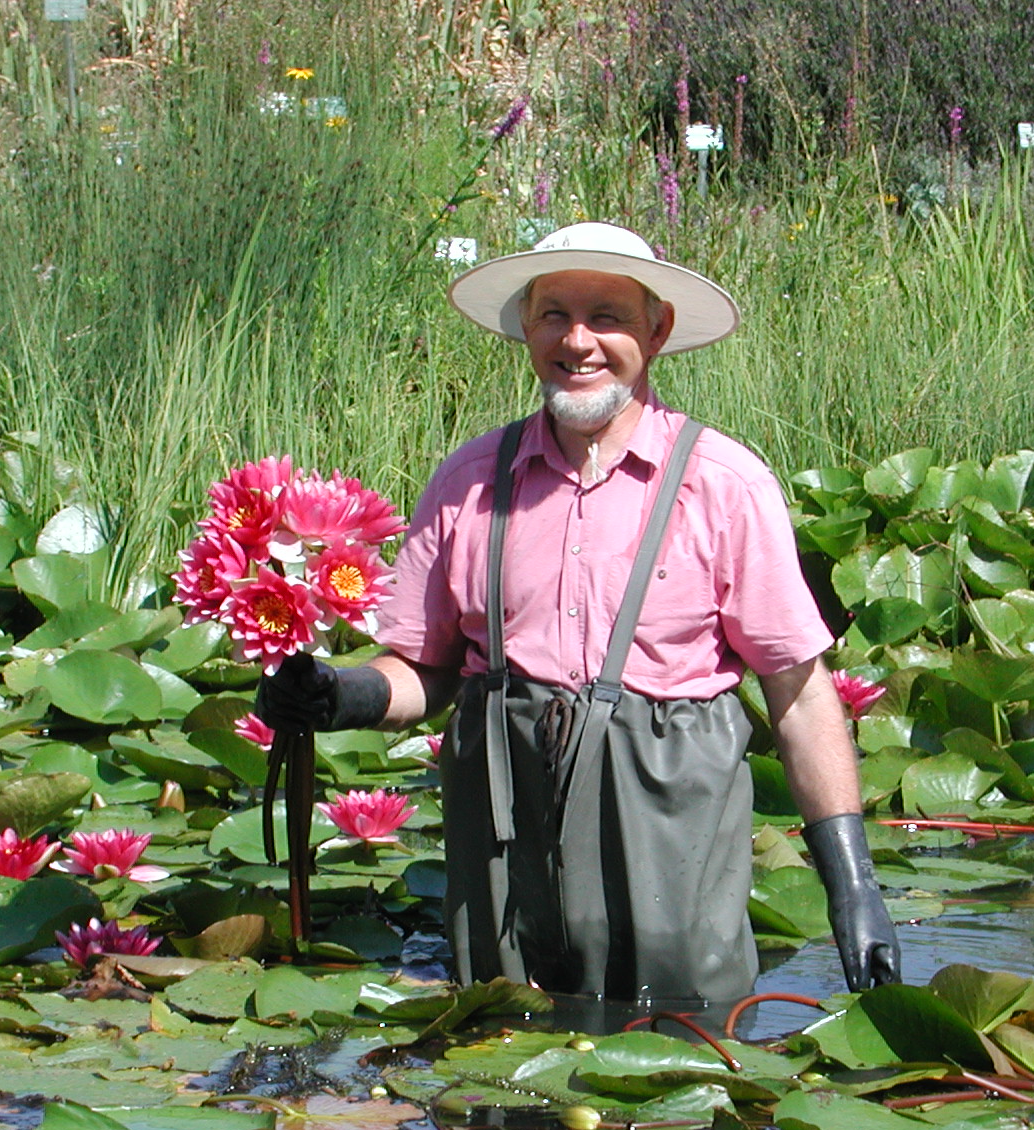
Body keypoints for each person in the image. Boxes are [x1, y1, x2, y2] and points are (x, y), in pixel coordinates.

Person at [258, 222, 898, 1005]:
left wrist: (854, 885)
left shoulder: (725, 484)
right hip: (502, 846)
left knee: (680, 1076)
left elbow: (798, 698)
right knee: (495, 1075)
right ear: (526, 327)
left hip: (670, 841)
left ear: (657, 331)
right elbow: (426, 671)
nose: (578, 340)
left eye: (608, 316)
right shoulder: (466, 483)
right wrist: (340, 694)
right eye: (554, 313)